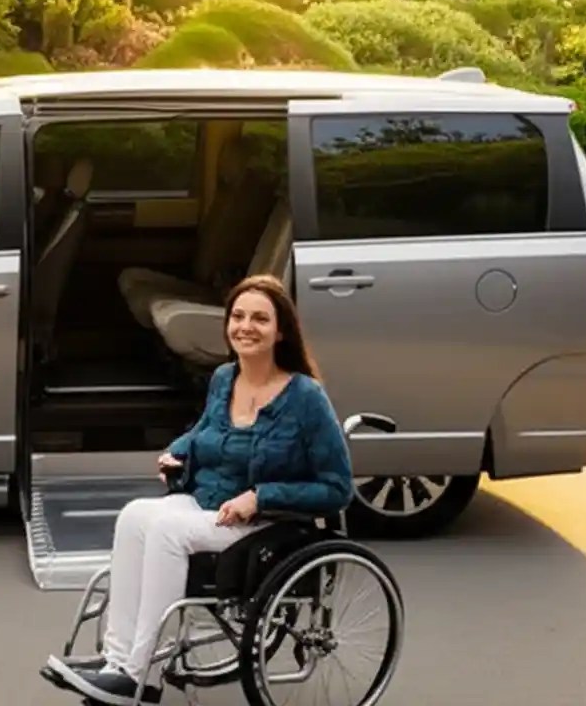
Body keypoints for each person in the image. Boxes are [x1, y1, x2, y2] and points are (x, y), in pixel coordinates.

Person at [42, 273, 355, 706]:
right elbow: (204, 432)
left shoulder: (305, 397)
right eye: (238, 316)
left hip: (264, 523)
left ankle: (142, 674)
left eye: (260, 319)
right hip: (208, 504)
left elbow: (337, 488)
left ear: (281, 331)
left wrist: (260, 497)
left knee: (168, 532)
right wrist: (178, 451)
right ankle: (116, 661)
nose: (246, 326)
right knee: (134, 515)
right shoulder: (225, 379)